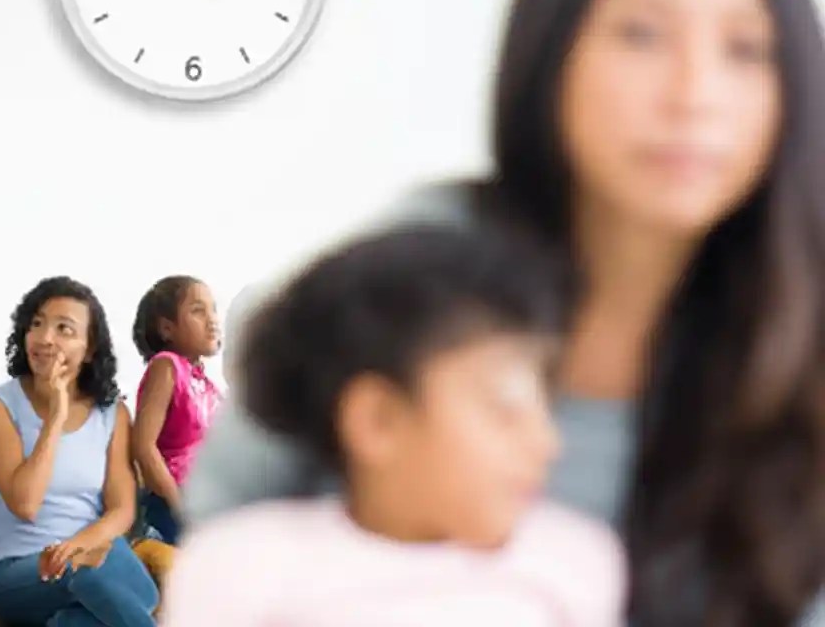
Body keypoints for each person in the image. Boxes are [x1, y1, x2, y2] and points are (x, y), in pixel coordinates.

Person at [184, 0, 825, 625]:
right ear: (553, 47)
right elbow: (222, 523)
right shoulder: (424, 268)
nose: (695, 95)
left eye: (747, 48)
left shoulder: (802, 342)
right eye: (642, 33)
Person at [164, 226, 625, 626]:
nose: (546, 443)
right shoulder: (243, 569)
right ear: (378, 420)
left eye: (546, 409)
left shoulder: (573, 561)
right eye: (506, 410)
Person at [0, 276, 159, 627]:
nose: (45, 338)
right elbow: (26, 504)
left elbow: (122, 509)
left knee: (82, 610)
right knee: (103, 579)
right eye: (37, 324)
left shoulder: (112, 413)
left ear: (89, 349)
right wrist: (55, 418)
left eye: (64, 329)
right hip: (18, 573)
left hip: (93, 559)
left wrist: (78, 545)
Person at [130, 276, 223, 545]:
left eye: (213, 309)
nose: (212, 320)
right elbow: (144, 446)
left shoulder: (208, 385)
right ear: (167, 328)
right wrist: (181, 507)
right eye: (198, 311)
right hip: (172, 505)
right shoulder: (166, 366)